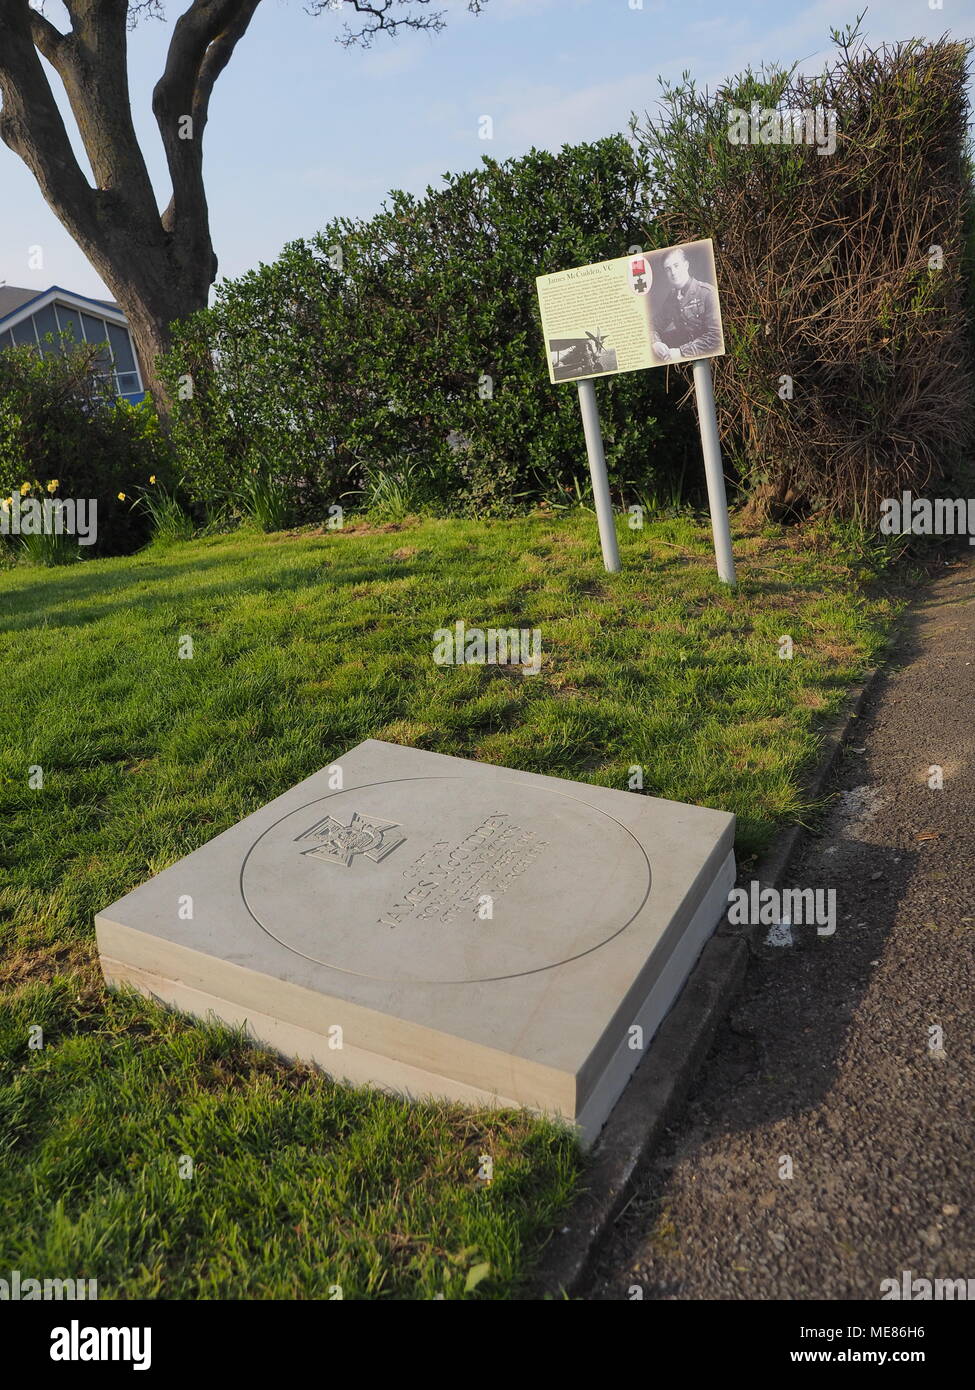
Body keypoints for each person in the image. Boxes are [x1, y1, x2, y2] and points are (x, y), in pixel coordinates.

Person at [651, 249, 721, 362]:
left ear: (686, 265)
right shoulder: (672, 298)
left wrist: (681, 352)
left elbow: (716, 336)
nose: (673, 272)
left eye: (676, 265)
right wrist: (655, 342)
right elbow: (653, 325)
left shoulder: (707, 293)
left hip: (714, 360)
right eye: (668, 269)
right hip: (689, 362)